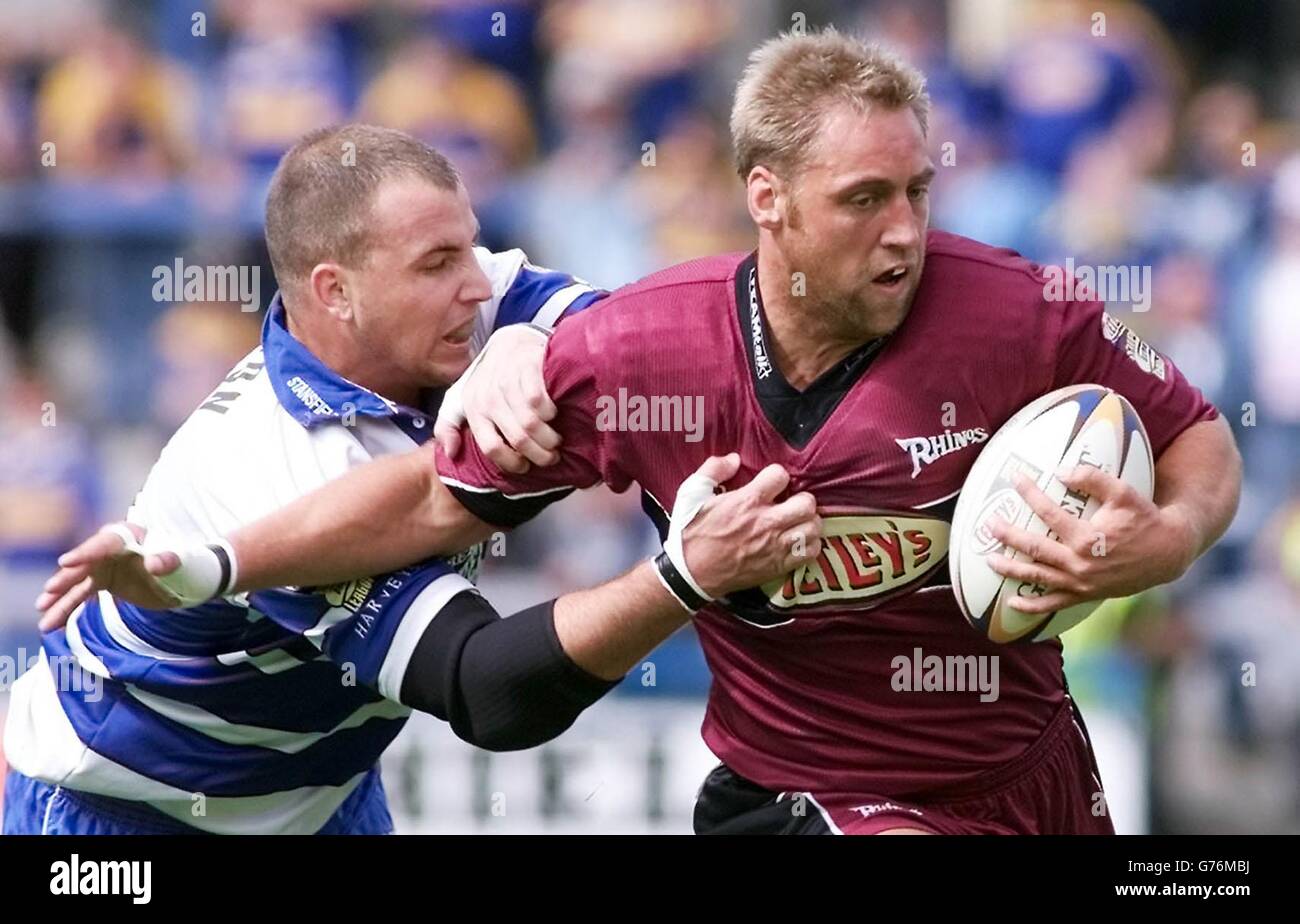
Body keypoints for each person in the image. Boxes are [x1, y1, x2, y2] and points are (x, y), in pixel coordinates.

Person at [40, 30, 1241, 835]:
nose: (904, 232)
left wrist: (1166, 536)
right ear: (766, 201)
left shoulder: (1014, 312)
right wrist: (213, 564)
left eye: (919, 191)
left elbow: (1198, 442)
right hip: (135, 796)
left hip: (1025, 769)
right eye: (863, 200)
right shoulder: (649, 354)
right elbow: (473, 649)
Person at [6, 124, 820, 835]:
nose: (476, 281)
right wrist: (682, 577)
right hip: (129, 807)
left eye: (470, 244)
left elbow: (629, 342)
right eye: (437, 262)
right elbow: (487, 689)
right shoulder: (276, 465)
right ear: (337, 292)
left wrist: (525, 341)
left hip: (324, 798)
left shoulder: (469, 300)